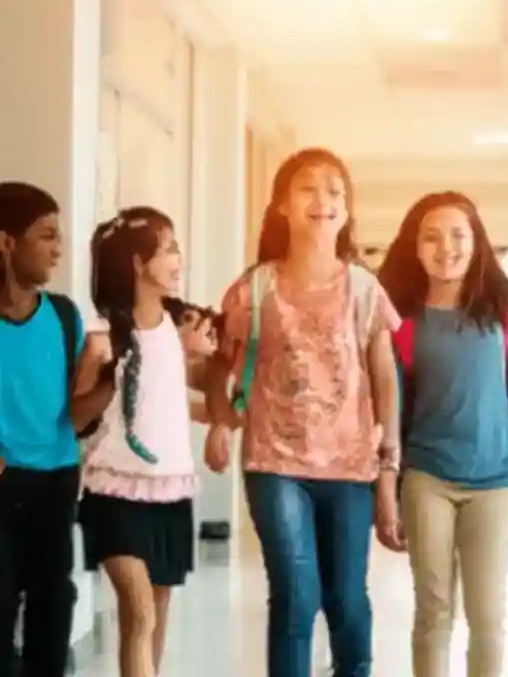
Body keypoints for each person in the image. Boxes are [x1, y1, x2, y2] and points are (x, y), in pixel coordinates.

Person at [203, 148, 402, 677]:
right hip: (275, 461)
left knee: (347, 600)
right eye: (309, 189)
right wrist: (222, 420)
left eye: (336, 191)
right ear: (282, 207)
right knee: (296, 593)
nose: (324, 200)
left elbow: (385, 376)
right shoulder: (255, 287)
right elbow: (221, 366)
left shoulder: (364, 287)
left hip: (351, 464)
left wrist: (389, 466)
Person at [376, 191, 508, 677]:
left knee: (487, 615)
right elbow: (391, 405)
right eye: (431, 236)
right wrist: (386, 484)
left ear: (476, 244)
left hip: (493, 479)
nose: (444, 246)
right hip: (426, 475)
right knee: (433, 612)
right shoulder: (399, 320)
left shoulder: (505, 314)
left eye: (457, 234)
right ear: (414, 246)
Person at [74, 207, 217, 677]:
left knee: (154, 623)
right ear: (139, 262)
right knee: (139, 614)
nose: (179, 258)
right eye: (169, 247)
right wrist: (104, 377)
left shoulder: (180, 338)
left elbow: (186, 404)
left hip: (170, 493)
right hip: (113, 494)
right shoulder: (103, 339)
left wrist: (224, 413)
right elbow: (74, 418)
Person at [0, 182, 107, 677]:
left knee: (53, 600)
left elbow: (77, 414)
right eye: (46, 235)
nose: (58, 247)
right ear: (6, 242)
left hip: (57, 480)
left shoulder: (64, 317)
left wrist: (112, 377)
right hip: (4, 484)